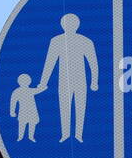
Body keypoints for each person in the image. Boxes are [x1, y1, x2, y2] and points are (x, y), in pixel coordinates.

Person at [38, 13, 98, 142]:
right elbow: (49, 63)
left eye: (72, 23)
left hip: (81, 80)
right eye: (67, 23)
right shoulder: (56, 41)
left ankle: (79, 135)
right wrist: (43, 82)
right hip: (64, 80)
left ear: (77, 25)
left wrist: (94, 81)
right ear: (62, 25)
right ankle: (65, 134)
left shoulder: (85, 41)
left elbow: (93, 63)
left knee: (80, 107)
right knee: (64, 107)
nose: (70, 26)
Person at [9, 73, 45, 141]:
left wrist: (43, 87)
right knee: (22, 124)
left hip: (32, 111)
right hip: (23, 111)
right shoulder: (17, 91)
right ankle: (20, 137)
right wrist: (12, 111)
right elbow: (13, 102)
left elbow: (38, 90)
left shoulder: (30, 90)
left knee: (32, 123)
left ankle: (31, 137)